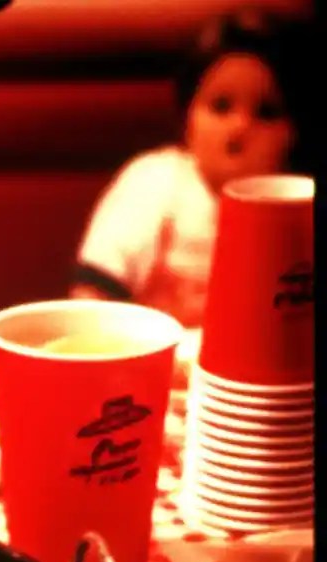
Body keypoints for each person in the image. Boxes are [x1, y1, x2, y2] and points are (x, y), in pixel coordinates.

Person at [70, 8, 311, 329]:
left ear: (292, 133)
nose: (239, 127)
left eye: (266, 112)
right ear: (188, 119)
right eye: (221, 106)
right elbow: (91, 296)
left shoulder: (298, 213)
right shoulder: (154, 182)